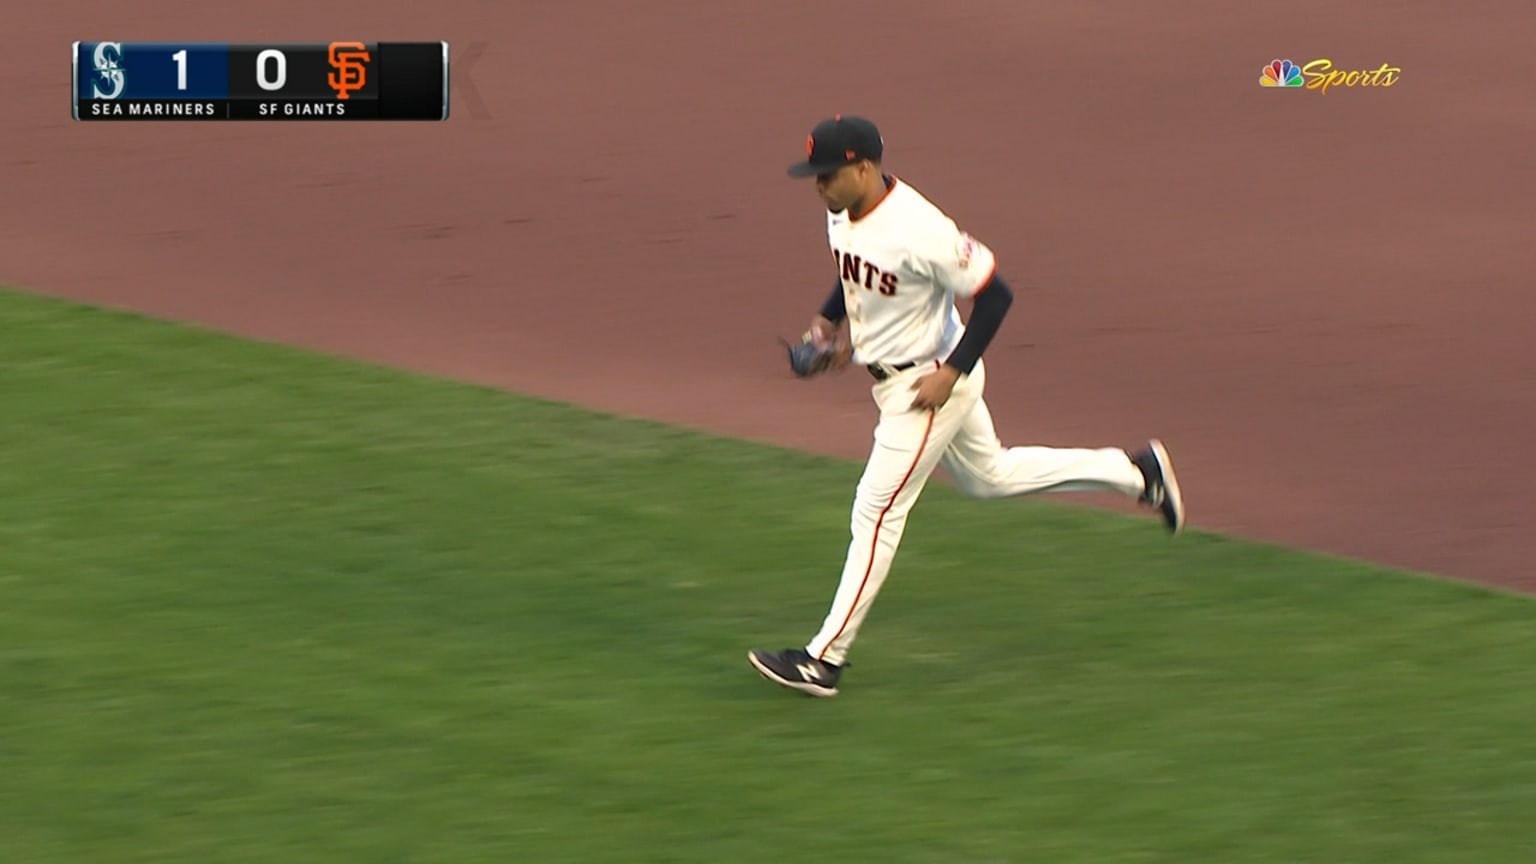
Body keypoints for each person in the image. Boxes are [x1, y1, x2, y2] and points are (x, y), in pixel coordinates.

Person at [748, 114, 1184, 697]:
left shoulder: (922, 229)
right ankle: (1136, 473)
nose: (818, 186)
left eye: (827, 175)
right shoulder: (842, 213)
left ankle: (822, 659)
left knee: (875, 511)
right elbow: (857, 271)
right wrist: (830, 324)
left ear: (863, 168)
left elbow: (996, 295)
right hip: (896, 377)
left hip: (927, 384)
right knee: (990, 478)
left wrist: (951, 374)